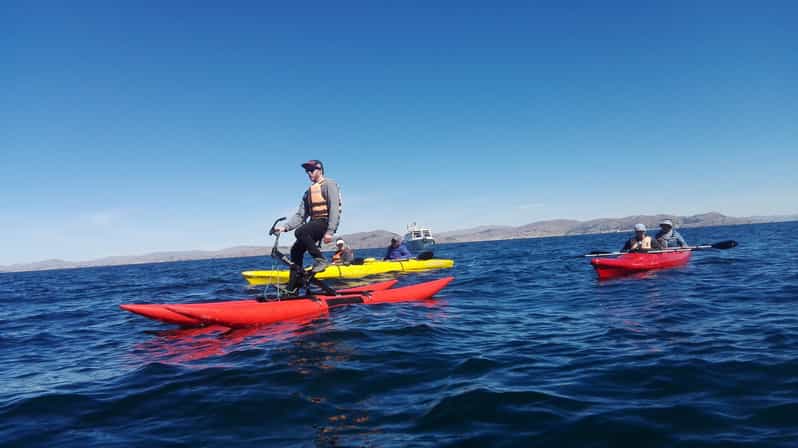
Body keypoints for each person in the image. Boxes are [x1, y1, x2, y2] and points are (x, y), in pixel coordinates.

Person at [274, 159, 342, 292]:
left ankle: (321, 260)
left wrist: (330, 231)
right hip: (313, 223)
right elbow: (300, 215)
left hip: (324, 222)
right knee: (295, 250)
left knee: (300, 232)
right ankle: (293, 288)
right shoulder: (308, 192)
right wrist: (284, 227)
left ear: (320, 170)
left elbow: (334, 208)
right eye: (307, 171)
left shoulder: (329, 184)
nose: (309, 173)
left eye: (312, 170)